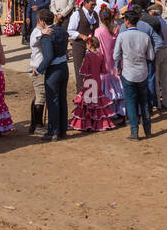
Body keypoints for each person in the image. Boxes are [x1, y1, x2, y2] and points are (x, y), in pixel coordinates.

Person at [114, 6, 154, 140]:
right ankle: (147, 130)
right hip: (142, 72)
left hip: (128, 73)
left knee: (131, 103)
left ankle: (134, 131)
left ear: (126, 21)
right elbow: (151, 56)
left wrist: (117, 67)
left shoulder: (122, 36)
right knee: (144, 102)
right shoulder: (145, 36)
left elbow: (116, 55)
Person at [35, 9, 70, 142]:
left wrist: (38, 70)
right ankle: (62, 129)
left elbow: (48, 56)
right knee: (62, 99)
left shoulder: (47, 35)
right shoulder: (61, 30)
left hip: (53, 70)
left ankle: (53, 131)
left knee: (53, 101)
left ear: (42, 22)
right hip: (63, 67)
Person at [69, 34, 116, 132]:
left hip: (89, 81)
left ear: (89, 45)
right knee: (96, 102)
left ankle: (88, 123)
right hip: (97, 80)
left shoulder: (88, 56)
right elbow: (103, 70)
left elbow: (83, 70)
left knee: (87, 102)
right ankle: (97, 122)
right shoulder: (101, 55)